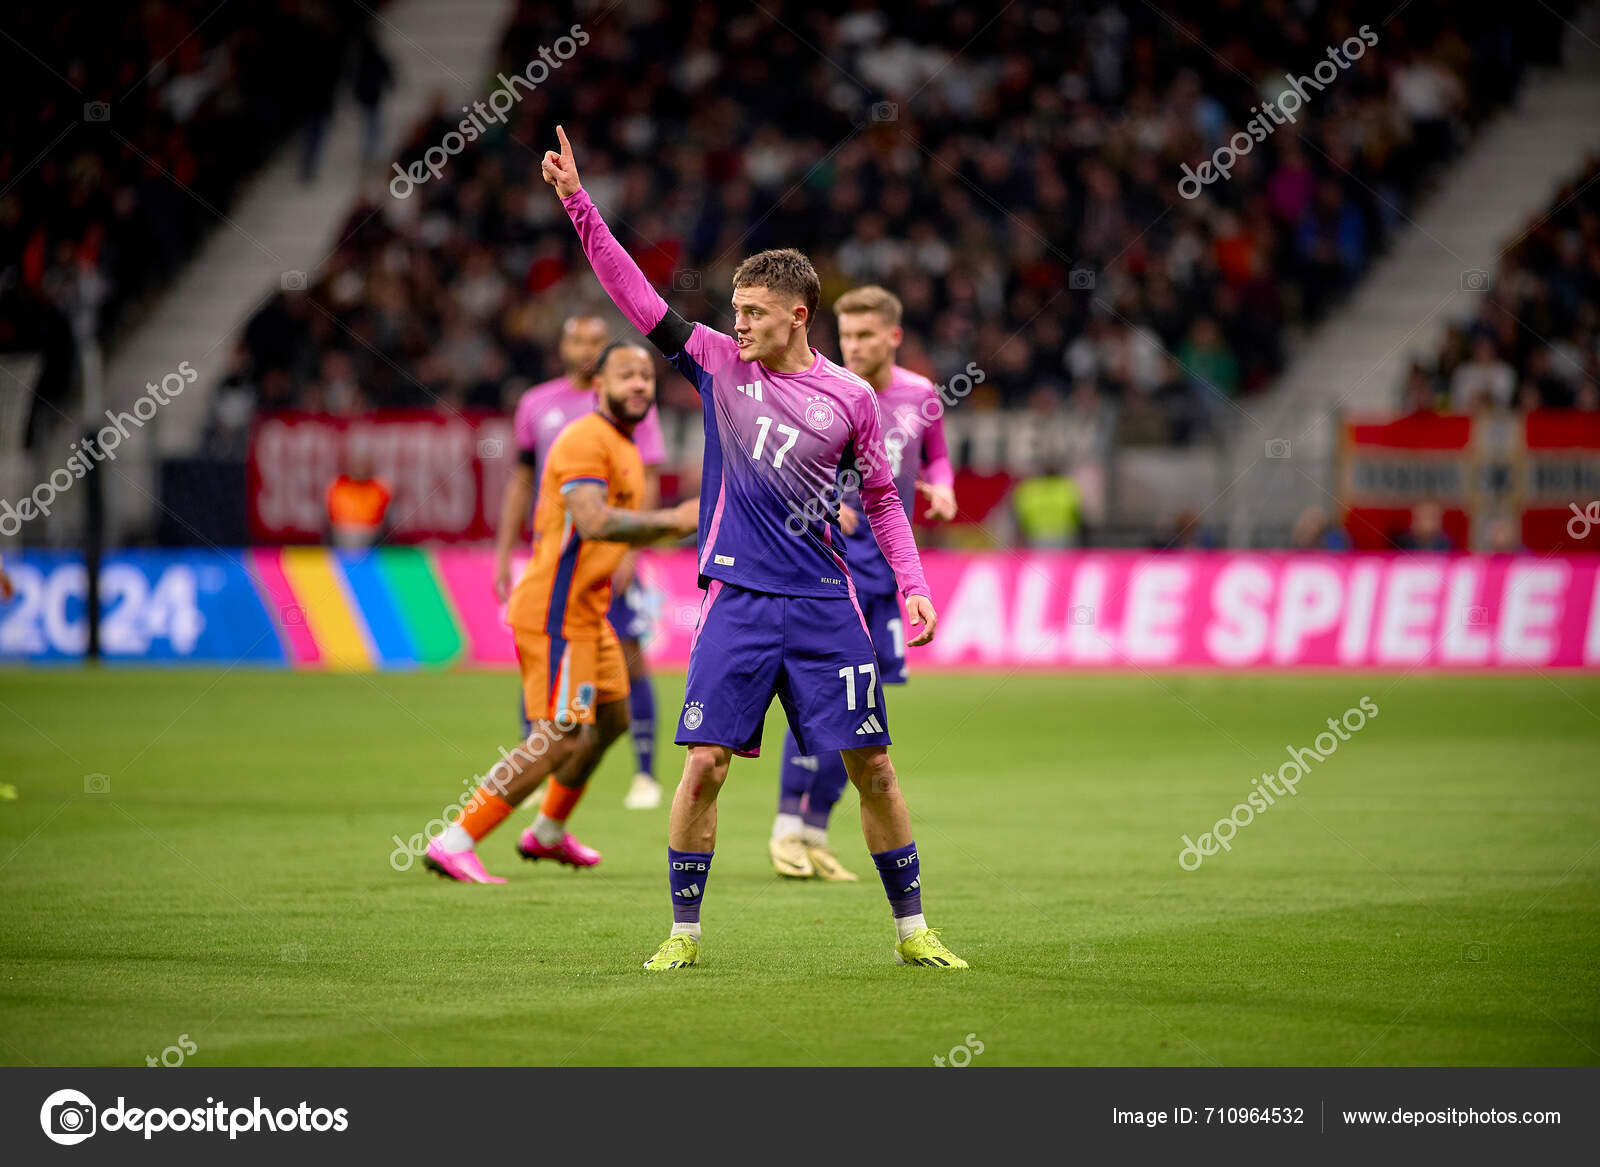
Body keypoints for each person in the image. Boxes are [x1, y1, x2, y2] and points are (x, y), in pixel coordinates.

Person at [543, 125, 967, 970]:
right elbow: (637, 299)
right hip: (736, 600)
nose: (736, 325)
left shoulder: (850, 399)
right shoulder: (713, 363)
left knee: (875, 767)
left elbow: (882, 497)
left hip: (822, 603)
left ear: (798, 315)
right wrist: (580, 207)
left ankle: (914, 931)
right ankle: (683, 933)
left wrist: (913, 582)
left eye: (754, 314)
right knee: (703, 767)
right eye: (734, 310)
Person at [421, 342, 697, 883]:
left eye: (646, 376)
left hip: (591, 614)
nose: (640, 384)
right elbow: (593, 522)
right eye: (626, 375)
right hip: (557, 612)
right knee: (560, 736)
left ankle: (546, 833)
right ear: (599, 387)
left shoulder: (626, 447)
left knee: (615, 717)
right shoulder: (583, 439)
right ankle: (454, 840)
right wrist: (674, 519)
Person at [768, 285, 956, 883]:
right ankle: (783, 829)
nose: (854, 346)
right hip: (830, 568)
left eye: (867, 335)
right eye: (847, 335)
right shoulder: (823, 391)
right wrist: (819, 499)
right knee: (813, 700)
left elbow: (936, 456)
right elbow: (779, 461)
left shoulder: (921, 395)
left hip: (885, 576)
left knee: (858, 714)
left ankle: (814, 832)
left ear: (893, 337)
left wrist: (943, 485)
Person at [493, 315, 669, 810]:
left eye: (596, 340)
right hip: (561, 560)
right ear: (563, 346)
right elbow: (521, 481)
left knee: (629, 659)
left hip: (613, 558)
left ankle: (644, 773)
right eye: (578, 340)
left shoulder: (631, 403)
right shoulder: (538, 405)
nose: (587, 347)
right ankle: (531, 776)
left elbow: (644, 480)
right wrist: (505, 552)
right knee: (551, 674)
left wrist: (634, 548)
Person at [324, 453, 392, 550]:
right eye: (357, 467)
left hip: (369, 532)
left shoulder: (379, 488)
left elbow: (382, 517)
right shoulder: (338, 486)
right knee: (348, 537)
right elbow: (332, 515)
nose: (360, 471)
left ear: (370, 469)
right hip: (343, 532)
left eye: (364, 467)